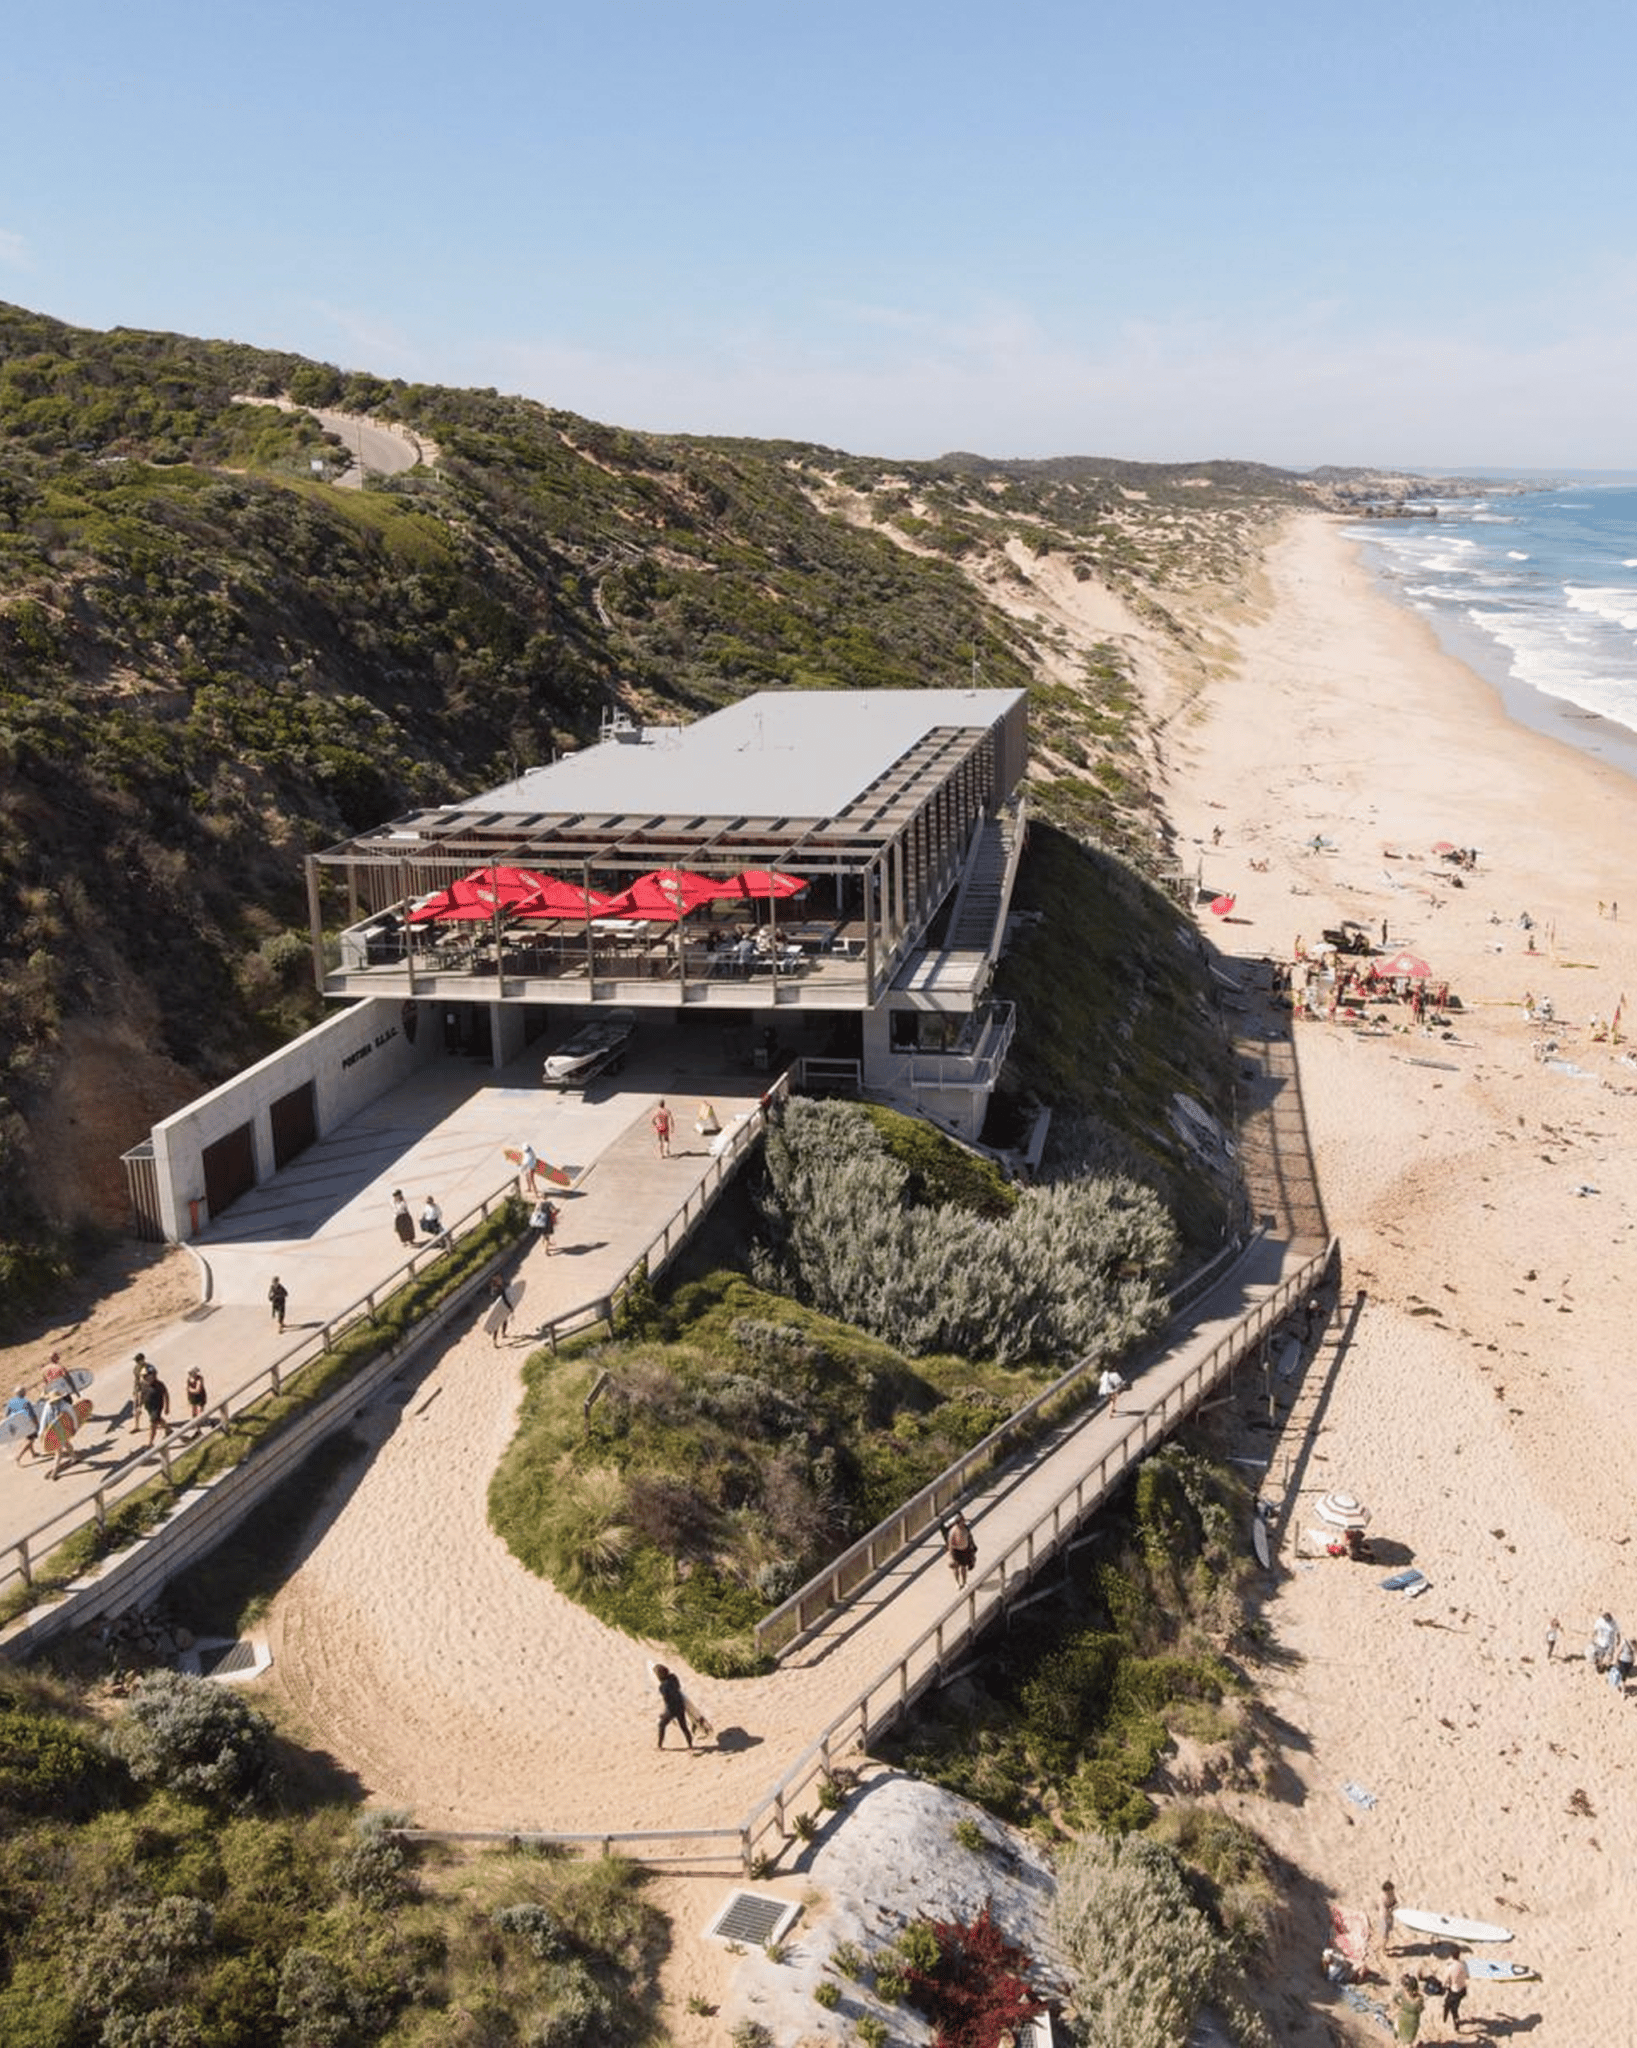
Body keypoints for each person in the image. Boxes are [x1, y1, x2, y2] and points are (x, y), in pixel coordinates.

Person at [36, 1389, 80, 1480]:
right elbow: (44, 1420)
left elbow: (73, 1416)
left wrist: (74, 1428)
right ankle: (56, 1470)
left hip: (60, 1429)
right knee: (60, 1450)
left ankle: (72, 1459)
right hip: (55, 1431)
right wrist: (41, 1433)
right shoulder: (53, 1406)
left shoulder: (62, 1405)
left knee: (63, 1447)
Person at [653, 1663, 693, 1750]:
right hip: (681, 1705)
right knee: (684, 1726)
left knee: (661, 1725)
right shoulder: (673, 1677)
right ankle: (690, 1745)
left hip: (672, 1709)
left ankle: (659, 1746)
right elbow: (678, 1687)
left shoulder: (663, 1687)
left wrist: (664, 1713)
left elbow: (667, 1701)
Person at [7, 1385, 39, 1465]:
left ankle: (33, 1453)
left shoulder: (11, 1402)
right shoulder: (26, 1402)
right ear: (23, 1393)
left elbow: (8, 1414)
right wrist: (36, 1423)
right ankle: (19, 1456)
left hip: (19, 1425)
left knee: (28, 1438)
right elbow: (32, 1415)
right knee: (31, 1440)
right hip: (28, 1424)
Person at [946, 1512, 978, 1589]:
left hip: (965, 1549)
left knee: (964, 1567)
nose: (963, 1522)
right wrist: (951, 1555)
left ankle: (965, 1582)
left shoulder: (965, 1528)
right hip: (956, 1551)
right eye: (962, 1521)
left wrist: (973, 1546)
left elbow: (970, 1537)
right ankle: (957, 1583)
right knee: (956, 1568)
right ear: (958, 1522)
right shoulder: (953, 1531)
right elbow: (950, 1544)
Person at [141, 1368, 171, 1448]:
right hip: (149, 1407)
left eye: (147, 1376)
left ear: (154, 1375)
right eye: (144, 1376)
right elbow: (142, 1395)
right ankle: (168, 1429)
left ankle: (150, 1443)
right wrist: (139, 1405)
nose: (145, 1378)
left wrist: (167, 1407)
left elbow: (166, 1395)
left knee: (153, 1424)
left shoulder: (159, 1385)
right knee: (158, 1419)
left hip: (157, 1406)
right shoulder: (144, 1384)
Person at [1441, 1950, 1469, 2031]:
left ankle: (1446, 2019)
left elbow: (1445, 1981)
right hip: (1462, 1990)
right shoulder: (1464, 1964)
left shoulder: (1451, 1967)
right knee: (1455, 2005)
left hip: (1454, 1990)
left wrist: (1444, 1985)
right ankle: (1453, 2022)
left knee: (1451, 2007)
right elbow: (1467, 1976)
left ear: (1451, 1956)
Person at [1391, 1972, 1424, 2042]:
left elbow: (1394, 1998)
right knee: (1408, 2039)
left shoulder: (1403, 1993)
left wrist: (1400, 2006)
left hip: (1407, 2019)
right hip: (1410, 2020)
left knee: (1406, 2039)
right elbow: (1421, 2009)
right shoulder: (1419, 1998)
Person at [488, 1274, 514, 1346]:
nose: (500, 1280)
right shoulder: (499, 1289)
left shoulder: (492, 1290)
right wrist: (510, 1307)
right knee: (503, 1322)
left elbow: (493, 1301)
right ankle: (502, 1335)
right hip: (501, 1309)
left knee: (498, 1324)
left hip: (496, 1310)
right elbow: (505, 1300)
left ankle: (496, 1340)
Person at [130, 1353, 153, 1434]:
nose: (136, 1362)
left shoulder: (149, 1368)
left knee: (150, 1407)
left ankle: (154, 1422)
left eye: (138, 1361)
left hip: (146, 1390)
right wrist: (135, 1390)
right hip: (138, 1390)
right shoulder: (136, 1368)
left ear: (143, 1360)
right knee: (136, 1408)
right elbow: (136, 1380)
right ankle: (136, 1426)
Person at [1379, 1880, 1399, 1957]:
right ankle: (1382, 1950)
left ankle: (1384, 1947)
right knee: (1385, 1936)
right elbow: (1384, 1907)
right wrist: (1391, 1908)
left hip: (1390, 1916)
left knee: (1388, 1933)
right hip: (1384, 1917)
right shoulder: (1383, 1897)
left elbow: (1395, 1901)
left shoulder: (1392, 1894)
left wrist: (1395, 1905)